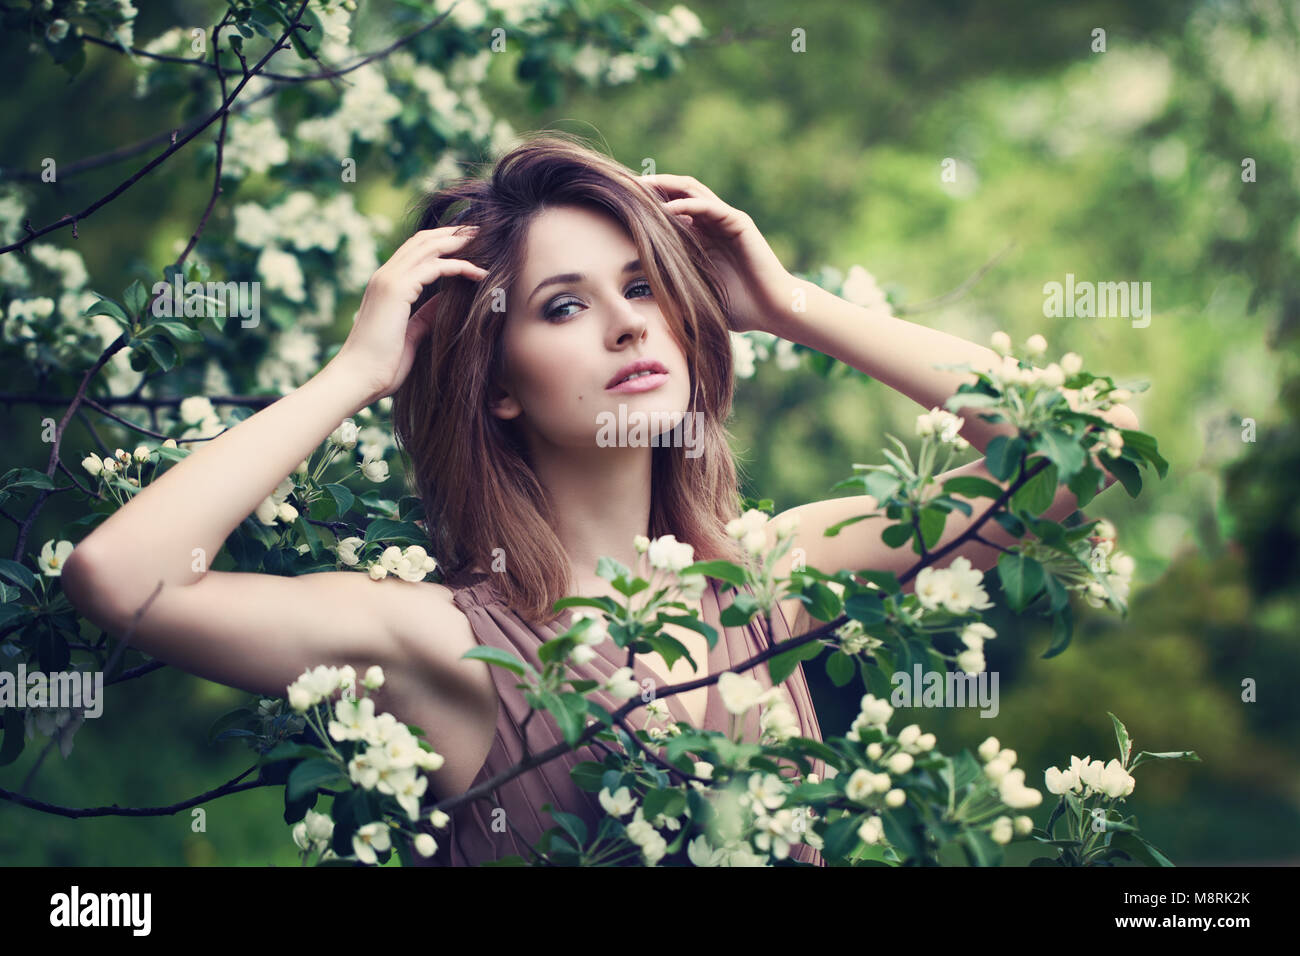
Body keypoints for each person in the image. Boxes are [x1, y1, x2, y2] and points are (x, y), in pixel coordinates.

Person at [61, 130, 1137, 867]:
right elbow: (121, 577)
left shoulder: (769, 575)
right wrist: (354, 375)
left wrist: (787, 302)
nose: (629, 325)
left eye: (643, 286)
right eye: (564, 305)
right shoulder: (447, 645)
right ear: (496, 383)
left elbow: (1080, 453)